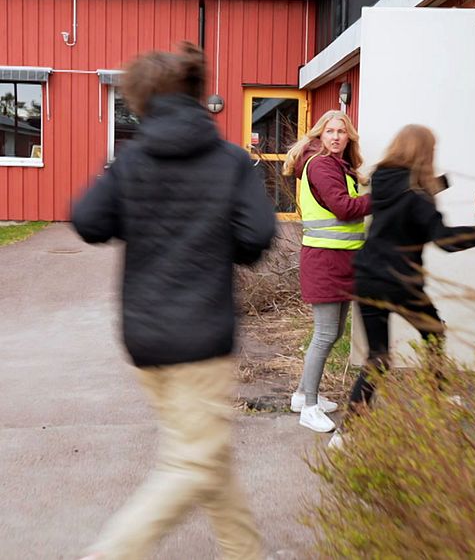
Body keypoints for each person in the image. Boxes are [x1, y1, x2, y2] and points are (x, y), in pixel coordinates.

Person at [71, 42, 275, 559]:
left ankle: (245, 552)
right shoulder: (230, 161)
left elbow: (90, 221)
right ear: (197, 94)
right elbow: (256, 237)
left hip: (144, 338)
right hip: (200, 339)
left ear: (142, 100)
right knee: (191, 463)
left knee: (207, 452)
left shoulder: (132, 161)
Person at [336, 124, 475, 446]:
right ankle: (437, 397)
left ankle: (345, 435)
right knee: (434, 333)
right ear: (425, 153)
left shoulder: (383, 183)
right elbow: (445, 240)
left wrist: (443, 184)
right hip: (400, 282)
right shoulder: (417, 198)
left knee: (378, 359)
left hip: (367, 277)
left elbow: (410, 197)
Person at [280, 110, 370, 434]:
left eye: (341, 132)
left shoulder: (337, 166)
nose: (335, 137)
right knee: (324, 334)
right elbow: (344, 208)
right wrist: (380, 199)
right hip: (325, 262)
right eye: (329, 131)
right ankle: (310, 407)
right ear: (320, 134)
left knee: (332, 333)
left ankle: (302, 394)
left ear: (349, 138)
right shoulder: (320, 165)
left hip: (341, 260)